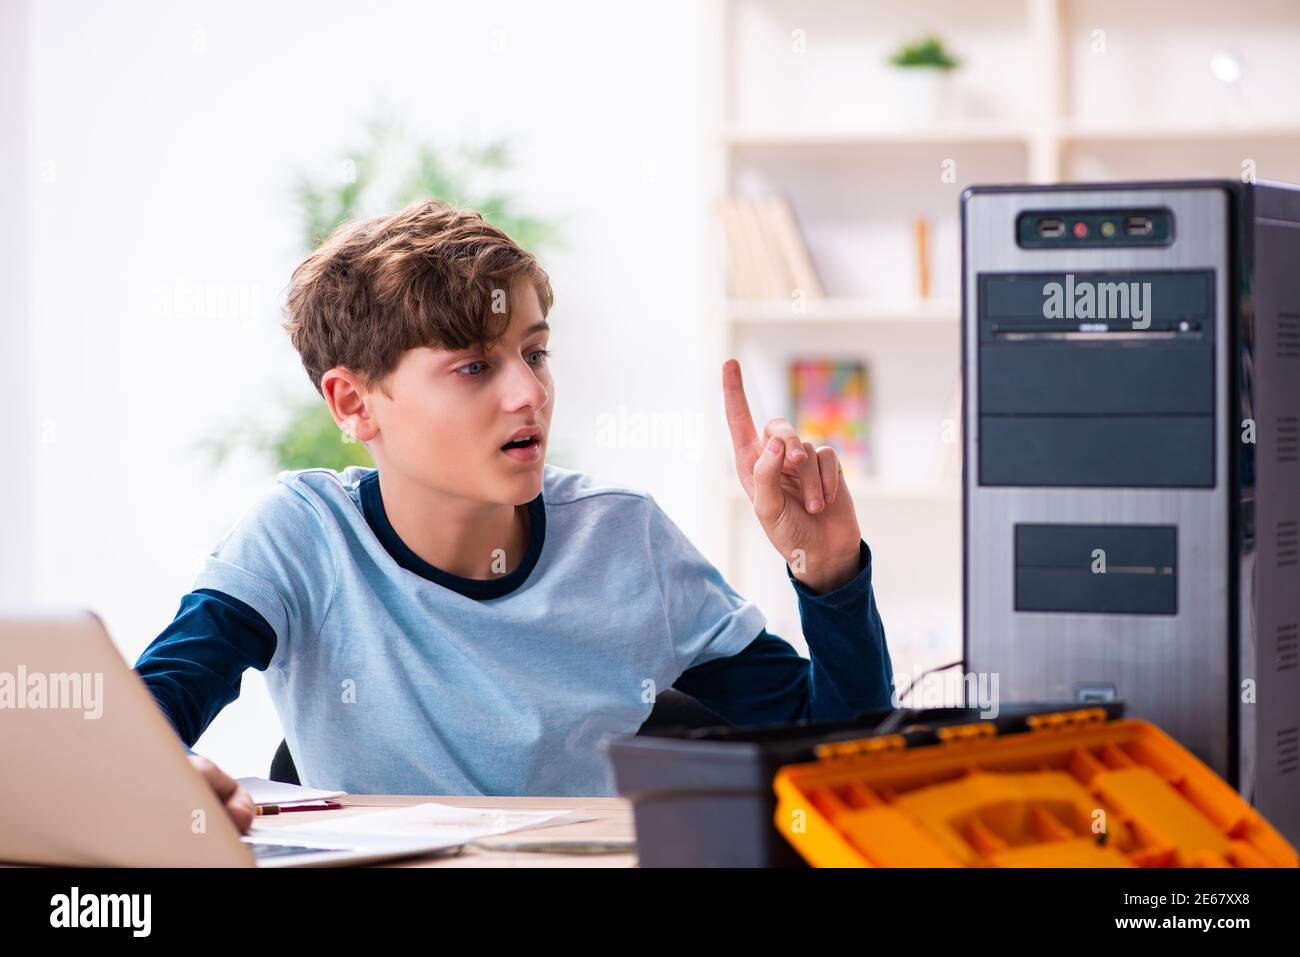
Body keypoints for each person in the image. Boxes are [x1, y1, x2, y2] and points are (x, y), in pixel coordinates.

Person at [137, 198, 894, 832]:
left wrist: (829, 572)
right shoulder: (300, 536)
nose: (529, 394)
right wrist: (169, 773)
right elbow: (142, 721)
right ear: (354, 402)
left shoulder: (623, 538)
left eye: (534, 353)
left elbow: (844, 760)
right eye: (473, 366)